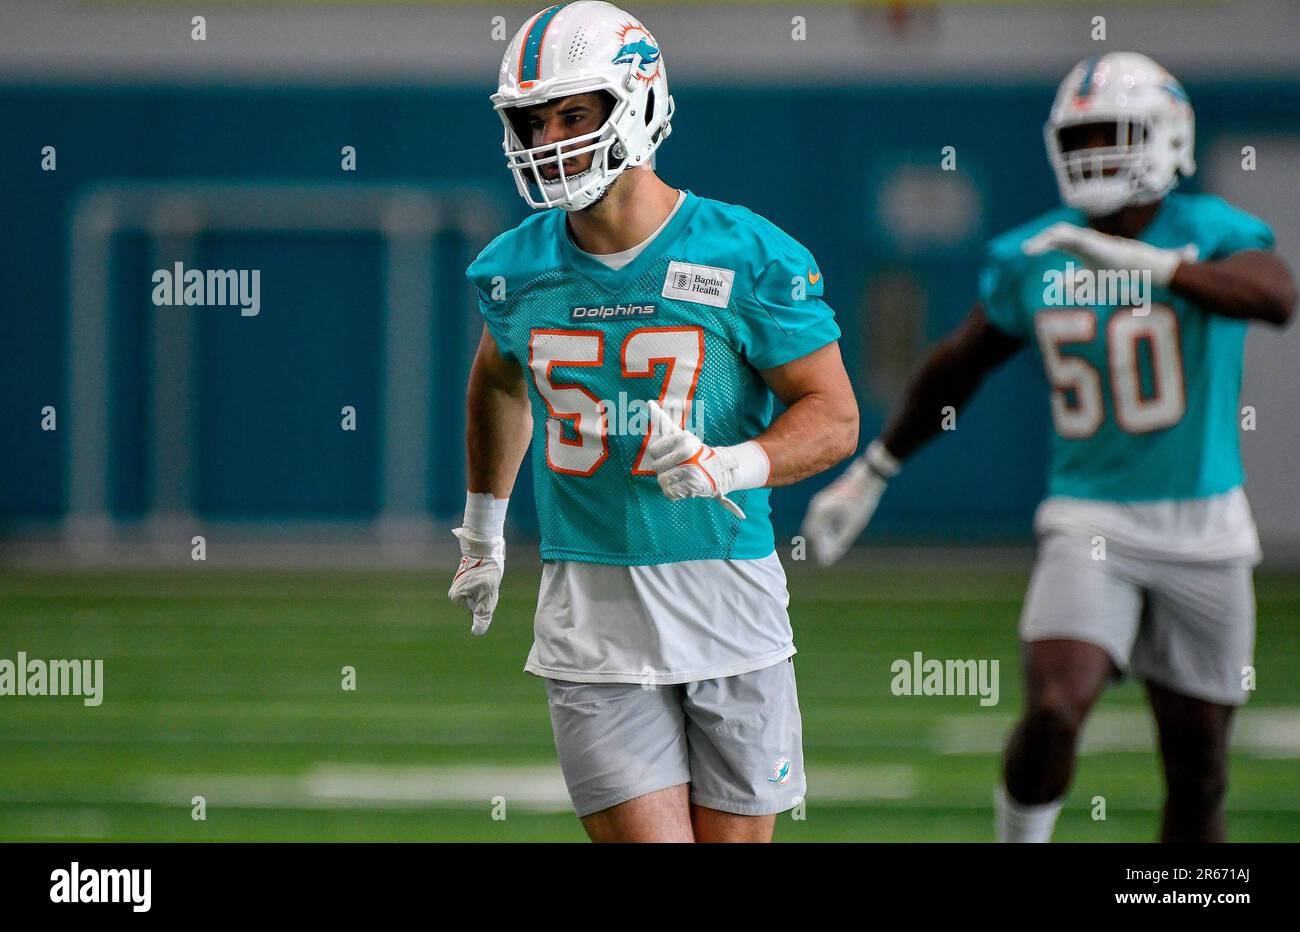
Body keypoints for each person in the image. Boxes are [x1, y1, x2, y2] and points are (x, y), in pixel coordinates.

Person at [802, 52, 1295, 842]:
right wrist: (874, 472)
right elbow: (956, 367)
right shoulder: (1037, 252)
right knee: (1057, 706)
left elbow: (1276, 296)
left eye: (1115, 133)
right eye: (1083, 136)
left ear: (1168, 137)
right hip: (1089, 519)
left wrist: (1160, 269)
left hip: (1205, 527)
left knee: (1200, 774)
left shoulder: (1209, 231)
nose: (1096, 152)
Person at [449, 1, 859, 842]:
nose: (548, 139)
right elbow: (499, 381)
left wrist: (730, 465)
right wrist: (483, 530)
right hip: (590, 613)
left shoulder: (746, 252)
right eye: (531, 121)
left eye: (573, 113)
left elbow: (835, 416)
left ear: (636, 103)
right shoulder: (513, 267)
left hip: (728, 599)